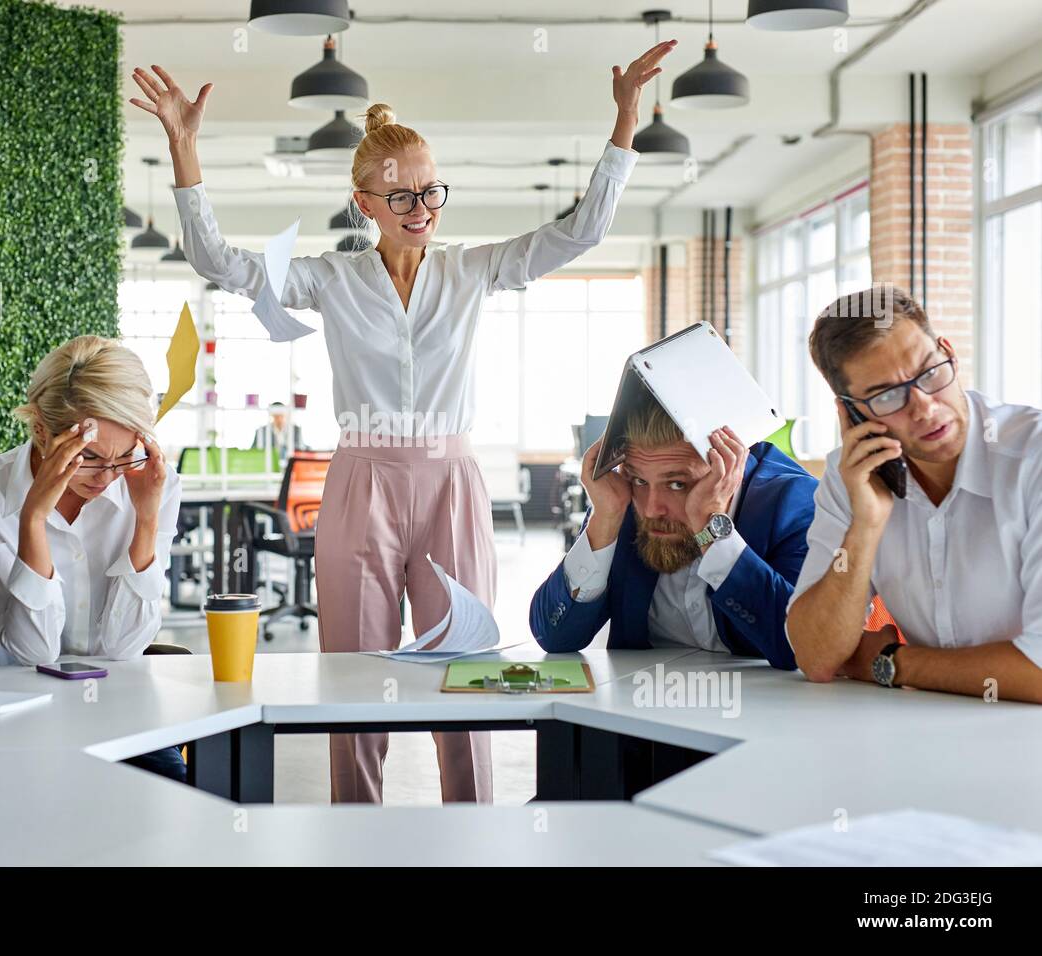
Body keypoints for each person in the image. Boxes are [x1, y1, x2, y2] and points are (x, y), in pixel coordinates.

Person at [130, 39, 676, 804]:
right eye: (403, 198)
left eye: (432, 193)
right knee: (353, 672)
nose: (422, 211)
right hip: (362, 480)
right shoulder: (330, 279)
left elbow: (578, 234)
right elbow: (221, 262)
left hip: (451, 477)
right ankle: (357, 825)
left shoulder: (471, 269)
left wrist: (623, 125)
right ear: (366, 205)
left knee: (467, 671)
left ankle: (475, 825)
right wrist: (185, 151)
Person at [786, 287, 1042, 703]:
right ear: (850, 412)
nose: (924, 407)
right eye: (887, 395)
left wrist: (890, 662)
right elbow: (816, 656)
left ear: (949, 352)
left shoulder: (1032, 457)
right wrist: (865, 525)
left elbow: (1039, 673)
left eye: (929, 372)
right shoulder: (852, 474)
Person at [0, 336, 187, 779]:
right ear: (42, 431)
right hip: (14, 710)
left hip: (121, 711)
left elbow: (124, 648)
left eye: (125, 456)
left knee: (178, 796)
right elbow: (32, 653)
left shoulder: (151, 484)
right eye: (89, 457)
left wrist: (145, 520)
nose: (108, 477)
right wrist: (33, 518)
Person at [530, 395, 815, 668]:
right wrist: (604, 520)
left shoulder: (795, 503)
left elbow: (800, 648)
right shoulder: (623, 501)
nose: (653, 509)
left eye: (678, 484)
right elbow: (554, 637)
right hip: (638, 705)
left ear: (729, 468)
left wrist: (711, 529)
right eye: (640, 480)